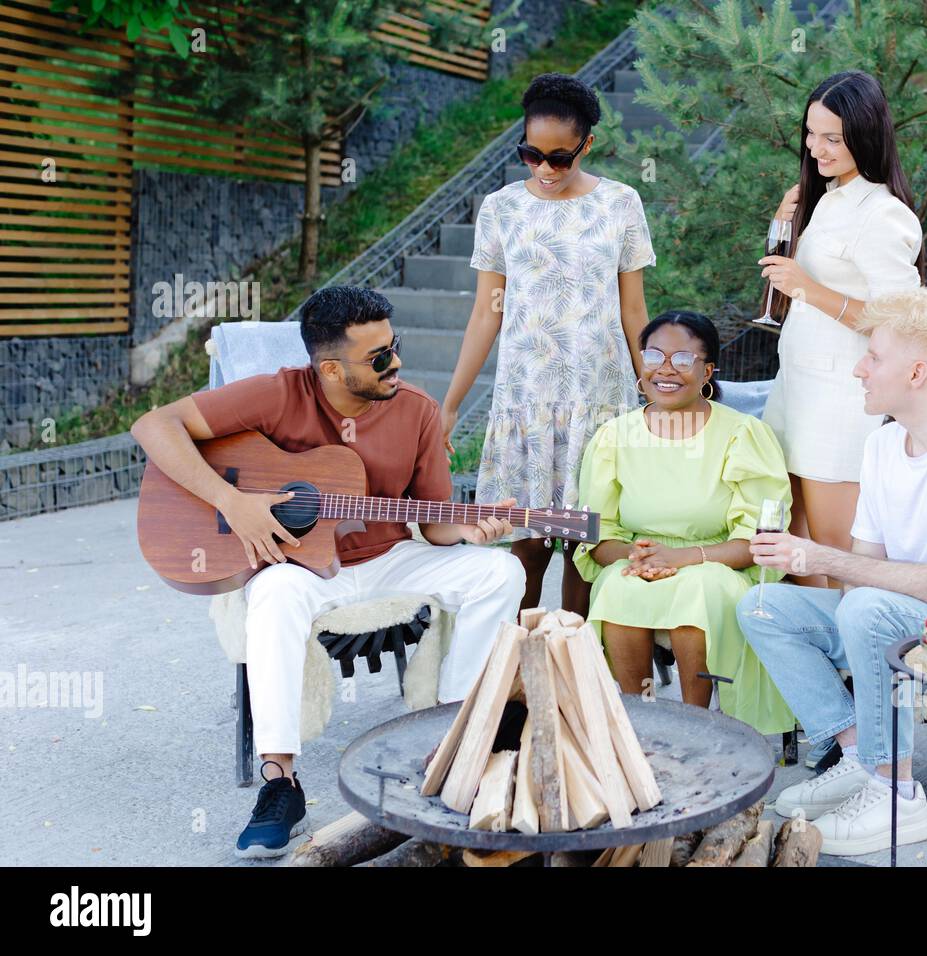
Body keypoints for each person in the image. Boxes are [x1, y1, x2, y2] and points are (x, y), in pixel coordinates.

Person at [130, 286, 526, 859]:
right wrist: (233, 501)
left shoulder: (417, 409)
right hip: (308, 566)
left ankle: (446, 740)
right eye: (380, 357)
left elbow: (435, 524)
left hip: (391, 557)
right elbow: (154, 426)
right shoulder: (276, 394)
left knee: (499, 573)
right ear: (331, 368)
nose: (397, 364)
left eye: (395, 346)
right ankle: (280, 783)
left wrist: (468, 527)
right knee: (271, 592)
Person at [737, 287, 927, 856]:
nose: (859, 369)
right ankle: (859, 755)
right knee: (763, 607)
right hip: (910, 619)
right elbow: (863, 574)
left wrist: (819, 558)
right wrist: (839, 576)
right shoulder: (882, 446)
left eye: (874, 356)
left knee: (870, 609)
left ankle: (897, 795)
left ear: (917, 372)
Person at [440, 72, 656, 617]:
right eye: (530, 155)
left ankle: (574, 670)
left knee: (587, 545)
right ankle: (516, 674)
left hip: (599, 398)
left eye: (559, 158)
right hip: (528, 400)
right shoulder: (501, 208)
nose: (544, 169)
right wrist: (450, 404)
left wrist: (652, 390)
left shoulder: (620, 204)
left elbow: (634, 311)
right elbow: (486, 314)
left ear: (588, 144)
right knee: (528, 545)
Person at [573, 311, 796, 734]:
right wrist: (638, 556)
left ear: (708, 370)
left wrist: (684, 557)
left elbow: (757, 541)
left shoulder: (742, 434)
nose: (666, 369)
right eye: (654, 355)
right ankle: (636, 721)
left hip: (718, 563)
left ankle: (695, 725)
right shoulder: (614, 437)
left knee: (697, 590)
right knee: (619, 587)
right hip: (640, 560)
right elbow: (599, 539)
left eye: (683, 358)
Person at [758, 70, 924, 589]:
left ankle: (856, 661)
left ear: (866, 134)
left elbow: (901, 320)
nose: (816, 148)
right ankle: (812, 655)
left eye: (832, 138)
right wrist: (782, 225)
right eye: (811, 134)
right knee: (792, 540)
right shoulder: (826, 196)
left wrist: (809, 289)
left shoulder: (883, 214)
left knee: (834, 547)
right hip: (795, 388)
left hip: (836, 400)